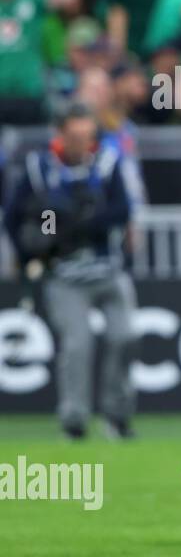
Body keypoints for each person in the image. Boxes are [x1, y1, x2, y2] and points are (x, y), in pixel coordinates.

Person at [4, 104, 136, 440]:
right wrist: (35, 250)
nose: (83, 143)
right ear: (60, 134)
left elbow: (122, 209)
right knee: (78, 343)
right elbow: (20, 216)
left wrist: (83, 223)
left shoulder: (106, 163)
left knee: (124, 336)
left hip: (107, 267)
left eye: (88, 136)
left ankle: (117, 415)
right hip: (64, 272)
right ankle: (74, 420)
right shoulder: (40, 169)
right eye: (76, 136)